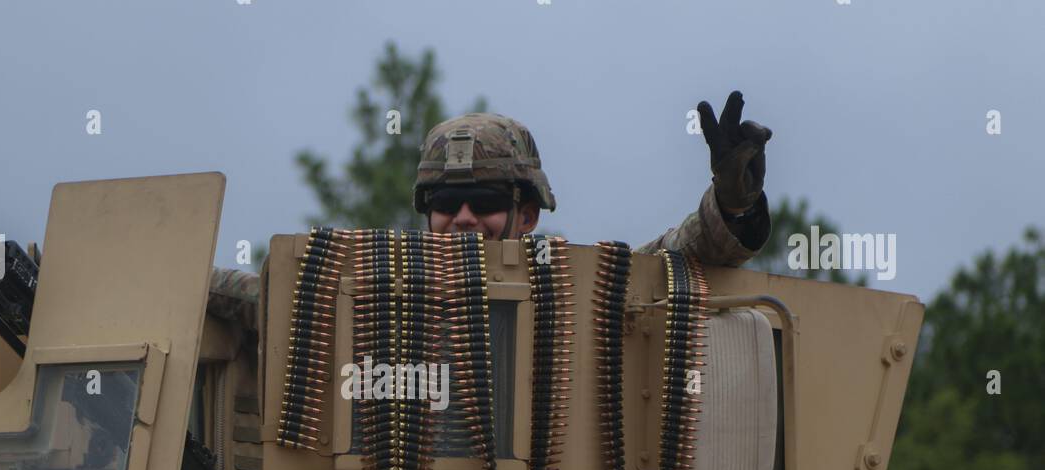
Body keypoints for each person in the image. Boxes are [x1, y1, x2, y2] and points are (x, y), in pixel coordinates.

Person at [207, 90, 773, 329]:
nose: (463, 219)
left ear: (527, 216)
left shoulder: (571, 291)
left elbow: (675, 257)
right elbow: (270, 300)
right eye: (445, 203)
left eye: (484, 202)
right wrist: (177, 273)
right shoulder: (374, 293)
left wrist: (732, 202)